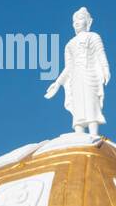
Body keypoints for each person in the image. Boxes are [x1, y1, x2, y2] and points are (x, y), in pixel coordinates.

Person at [44, 7, 110, 136]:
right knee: (78, 105)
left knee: (91, 103)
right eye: (74, 21)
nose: (76, 22)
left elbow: (100, 54)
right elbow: (68, 67)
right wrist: (57, 83)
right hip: (76, 78)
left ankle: (93, 134)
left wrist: (105, 69)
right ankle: (79, 133)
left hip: (90, 73)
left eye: (80, 19)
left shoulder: (93, 36)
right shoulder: (69, 44)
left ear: (88, 21)